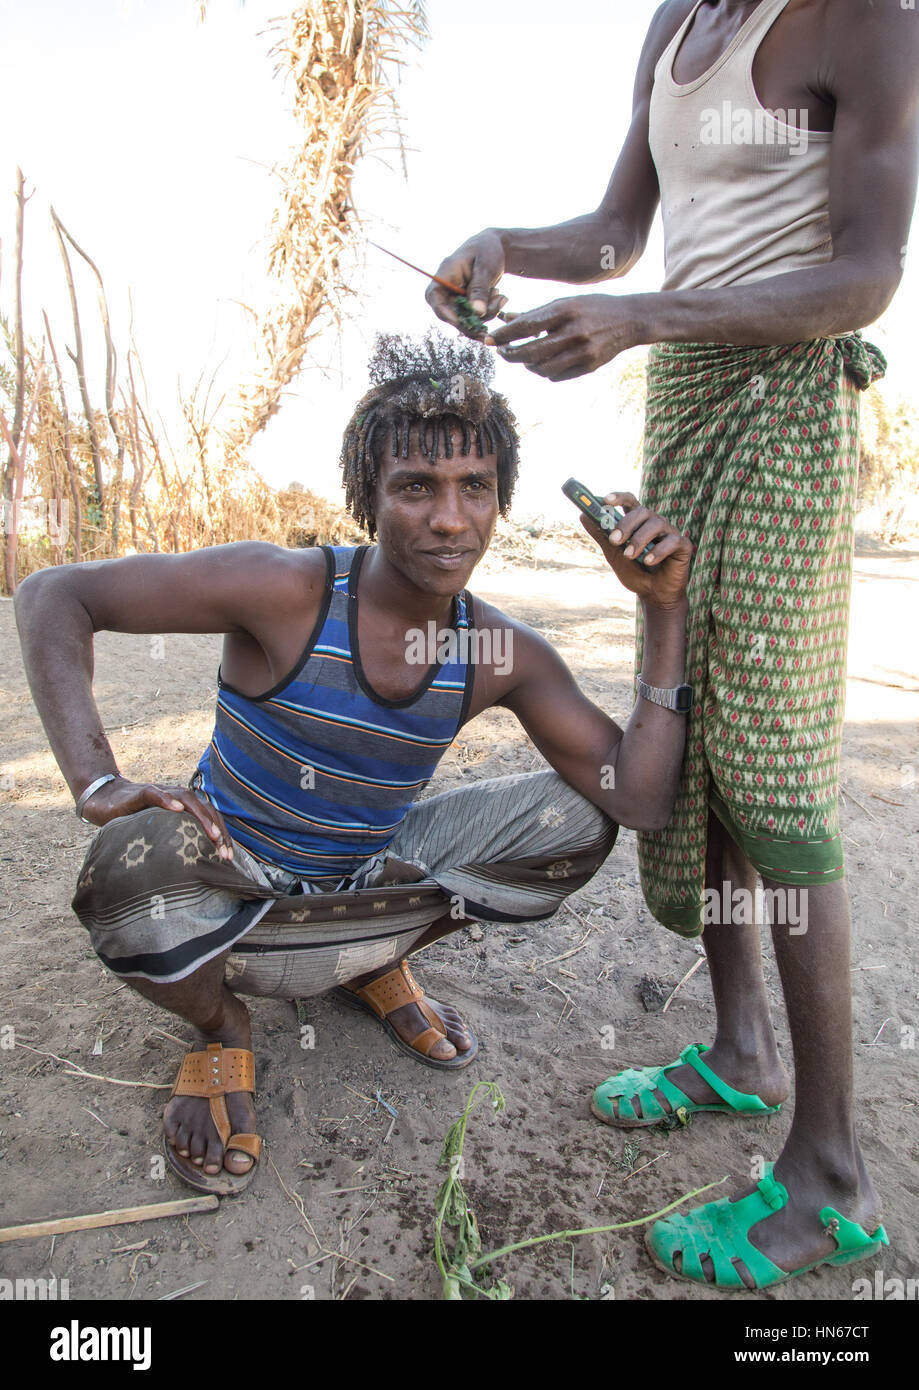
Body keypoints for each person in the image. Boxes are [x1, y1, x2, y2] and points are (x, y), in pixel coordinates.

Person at [427, 0, 916, 1289]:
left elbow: (866, 276)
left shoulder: (862, 19)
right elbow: (614, 234)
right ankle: (740, 1047)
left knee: (768, 774)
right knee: (695, 745)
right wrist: (507, 247)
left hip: (783, 414)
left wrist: (646, 318)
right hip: (691, 403)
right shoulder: (679, 21)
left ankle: (829, 1177)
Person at [14, 333, 693, 1196]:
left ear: (500, 499)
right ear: (367, 498)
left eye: (473, 487)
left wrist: (663, 610)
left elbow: (635, 798)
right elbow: (52, 595)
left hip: (362, 880)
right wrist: (97, 780)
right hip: (232, 888)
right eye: (415, 487)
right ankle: (223, 1031)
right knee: (127, 857)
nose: (449, 518)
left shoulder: (494, 650)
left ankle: (372, 960)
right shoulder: (284, 589)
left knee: (578, 817)